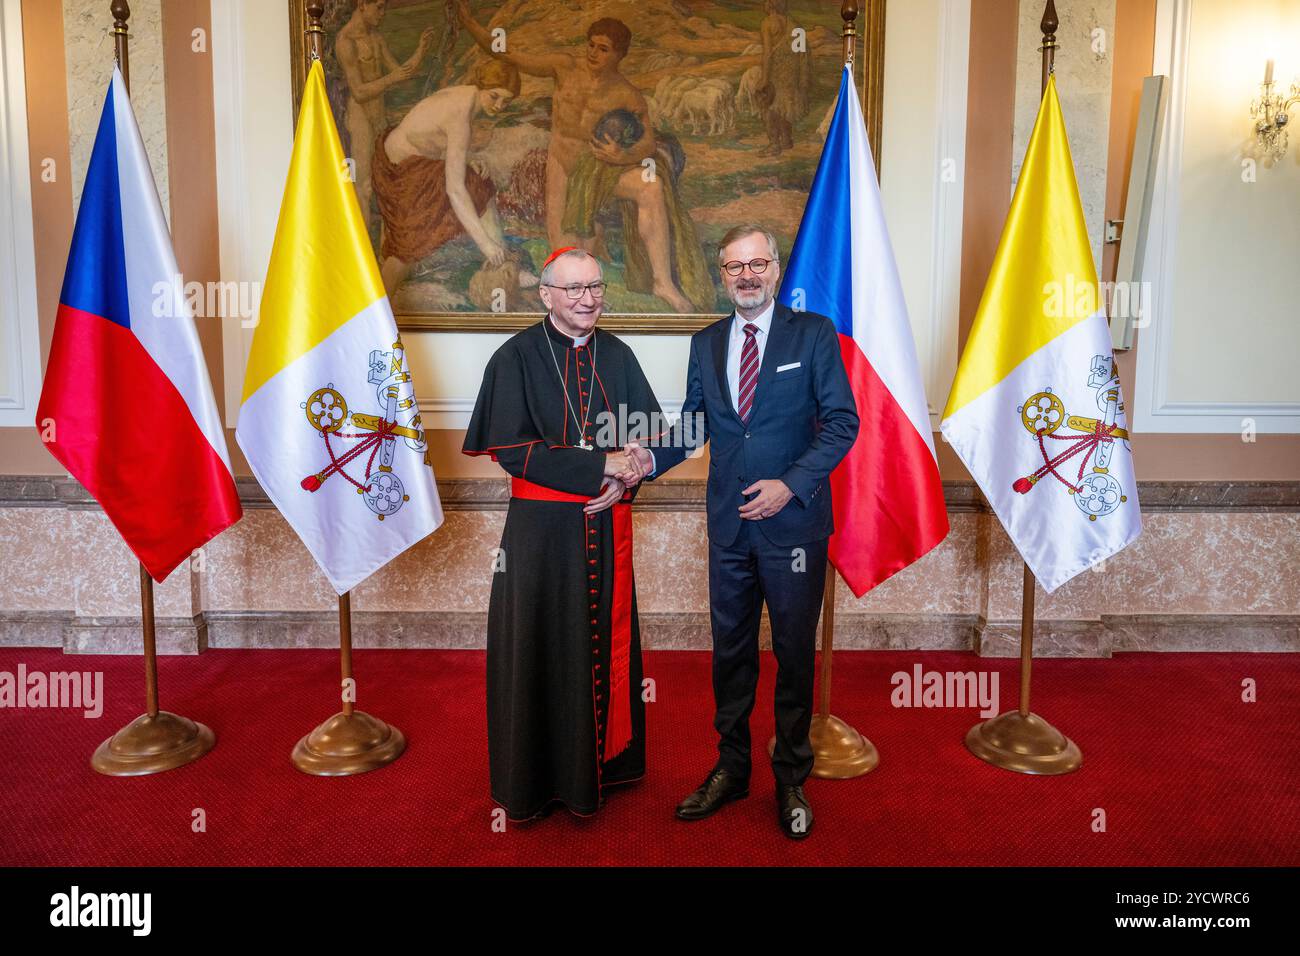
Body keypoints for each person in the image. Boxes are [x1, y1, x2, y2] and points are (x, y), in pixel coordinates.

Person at [622, 224, 859, 839]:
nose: (747, 275)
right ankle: (731, 768)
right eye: (735, 266)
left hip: (794, 528)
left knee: (792, 654)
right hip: (729, 529)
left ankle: (790, 779)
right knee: (729, 655)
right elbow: (694, 422)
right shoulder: (706, 342)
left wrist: (790, 483)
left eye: (758, 264)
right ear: (722, 275)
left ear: (777, 270)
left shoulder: (813, 336)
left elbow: (841, 423)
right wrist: (647, 458)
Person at [462, 248, 664, 821]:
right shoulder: (515, 357)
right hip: (540, 539)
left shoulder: (618, 355)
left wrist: (627, 476)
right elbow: (511, 448)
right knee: (540, 642)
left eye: (595, 287)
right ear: (545, 295)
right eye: (572, 289)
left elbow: (646, 438)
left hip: (605, 522)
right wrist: (598, 466)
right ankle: (538, 778)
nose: (586, 299)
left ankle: (608, 764)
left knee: (604, 640)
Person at [455, 1, 712, 314]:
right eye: (591, 45)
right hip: (563, 164)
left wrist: (622, 154)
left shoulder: (627, 93)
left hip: (602, 168)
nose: (593, 53)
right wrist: (470, 24)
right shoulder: (563, 67)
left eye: (603, 49)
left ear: (619, 55)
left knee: (652, 186)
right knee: (565, 255)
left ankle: (663, 282)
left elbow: (646, 143)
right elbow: (508, 54)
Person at [372, 59, 526, 293]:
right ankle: (498, 258)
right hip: (402, 175)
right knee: (409, 245)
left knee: (478, 182)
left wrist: (466, 160)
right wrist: (485, 245)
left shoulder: (464, 95)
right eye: (494, 96)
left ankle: (502, 261)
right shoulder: (460, 113)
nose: (499, 106)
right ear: (482, 85)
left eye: (506, 101)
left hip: (409, 163)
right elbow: (455, 190)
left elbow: (433, 138)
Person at [335, 0, 435, 229]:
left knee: (386, 181)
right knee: (364, 187)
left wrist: (420, 50)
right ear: (362, 4)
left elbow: (402, 72)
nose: (383, 13)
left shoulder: (376, 38)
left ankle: (385, 246)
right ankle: (363, 251)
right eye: (379, 7)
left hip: (380, 116)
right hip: (360, 118)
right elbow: (359, 92)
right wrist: (393, 78)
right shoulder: (346, 41)